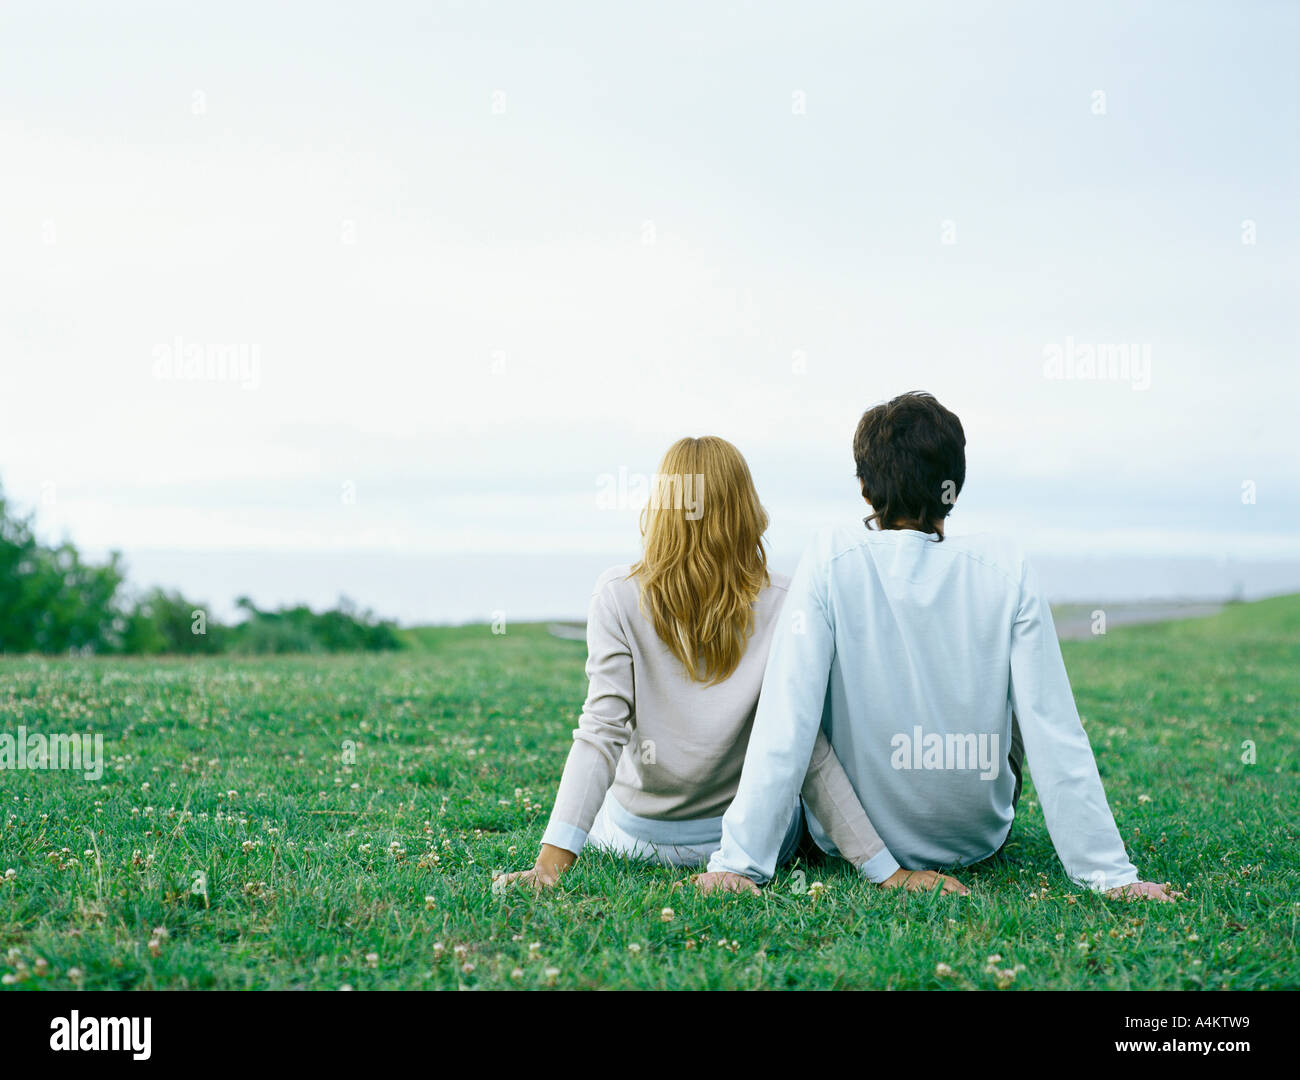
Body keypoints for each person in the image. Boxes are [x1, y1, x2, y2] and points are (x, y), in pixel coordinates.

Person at [697, 392, 1179, 902]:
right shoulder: (1007, 565)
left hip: (850, 847)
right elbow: (1053, 728)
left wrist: (739, 865)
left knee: (810, 701)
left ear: (865, 489)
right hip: (975, 839)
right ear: (954, 489)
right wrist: (1110, 876)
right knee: (1021, 698)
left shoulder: (829, 557)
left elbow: (786, 718)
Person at [497, 435, 965, 895]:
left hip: (637, 839)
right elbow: (807, 750)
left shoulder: (616, 594)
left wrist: (549, 868)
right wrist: (887, 871)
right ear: (747, 509)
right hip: (751, 842)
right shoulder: (788, 600)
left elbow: (600, 732)